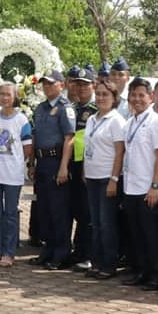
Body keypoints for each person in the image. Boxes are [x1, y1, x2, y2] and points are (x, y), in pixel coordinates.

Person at [121, 77, 158, 290]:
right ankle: (142, 270)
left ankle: (157, 275)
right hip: (131, 186)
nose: (137, 99)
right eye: (134, 95)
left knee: (152, 233)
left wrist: (155, 186)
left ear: (151, 97)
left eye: (142, 95)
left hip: (148, 187)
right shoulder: (130, 122)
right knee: (136, 232)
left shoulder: (156, 121)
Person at [0, 82, 33, 267]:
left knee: (10, 214)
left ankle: (9, 253)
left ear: (15, 97)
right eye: (2, 94)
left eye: (8, 94)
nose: (5, 98)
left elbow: (27, 148)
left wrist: (16, 162)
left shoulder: (22, 120)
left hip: (12, 175)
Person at [28, 70, 76, 269]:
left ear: (61, 85)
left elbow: (69, 138)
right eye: (44, 84)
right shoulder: (40, 108)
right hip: (42, 163)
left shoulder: (66, 108)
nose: (47, 87)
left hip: (57, 162)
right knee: (44, 210)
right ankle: (47, 250)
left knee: (59, 211)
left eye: (51, 83)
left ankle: (61, 253)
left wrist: (64, 167)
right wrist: (31, 163)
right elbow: (35, 136)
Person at [83, 78, 127, 279]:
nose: (101, 98)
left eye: (105, 94)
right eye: (98, 94)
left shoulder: (116, 121)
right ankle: (96, 262)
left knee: (107, 222)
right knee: (96, 223)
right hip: (92, 176)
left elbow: (120, 153)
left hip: (106, 178)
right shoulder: (92, 119)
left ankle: (109, 265)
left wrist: (114, 179)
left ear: (114, 97)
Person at [68, 65, 97, 270]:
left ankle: (88, 254)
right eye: (78, 85)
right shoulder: (71, 108)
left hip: (88, 165)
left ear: (92, 86)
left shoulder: (96, 111)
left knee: (88, 212)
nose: (81, 89)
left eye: (85, 85)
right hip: (72, 164)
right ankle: (77, 251)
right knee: (76, 208)